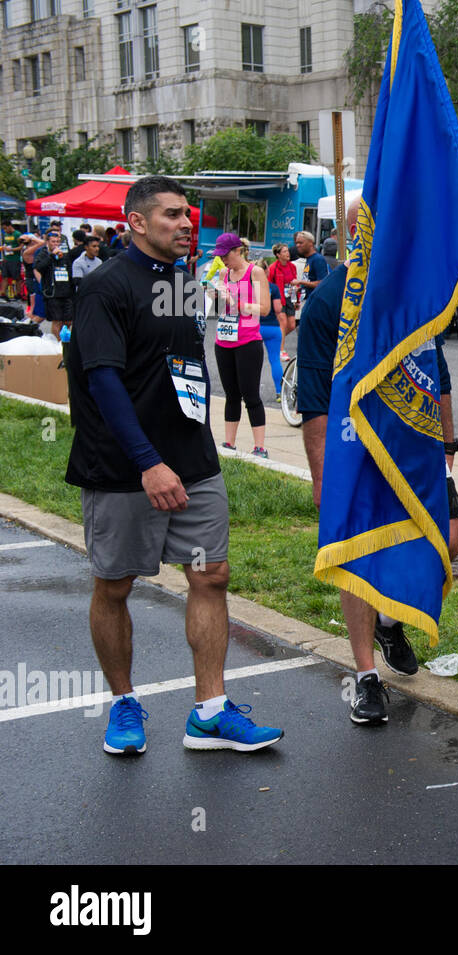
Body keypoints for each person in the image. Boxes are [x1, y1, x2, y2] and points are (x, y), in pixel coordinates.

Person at [63, 175, 282, 756]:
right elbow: (104, 381)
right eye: (171, 215)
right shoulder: (105, 287)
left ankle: (210, 712)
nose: (187, 223)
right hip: (123, 467)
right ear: (135, 222)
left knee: (210, 576)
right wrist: (147, 463)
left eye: (189, 214)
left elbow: (181, 368)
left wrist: (192, 448)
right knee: (115, 584)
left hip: (193, 461)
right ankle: (124, 704)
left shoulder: (185, 283)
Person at [295, 197, 458, 723]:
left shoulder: (417, 294)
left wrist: (449, 445)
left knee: (448, 541)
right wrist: (323, 476)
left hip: (417, 447)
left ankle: (391, 621)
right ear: (355, 234)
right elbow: (314, 397)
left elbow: (441, 375)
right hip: (354, 451)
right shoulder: (327, 301)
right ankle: (366, 676)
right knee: (356, 557)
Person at [211, 232, 270, 458]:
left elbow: (263, 309)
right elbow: (219, 304)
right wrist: (213, 293)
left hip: (247, 340)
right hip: (223, 339)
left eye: (226, 255)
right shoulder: (224, 273)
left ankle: (259, 447)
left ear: (239, 251)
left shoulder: (254, 272)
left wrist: (237, 302)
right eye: (220, 256)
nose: (223, 260)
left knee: (250, 394)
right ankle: (229, 443)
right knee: (231, 394)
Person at [33, 228, 76, 339]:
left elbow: (70, 271)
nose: (56, 244)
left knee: (68, 321)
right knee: (57, 321)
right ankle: (57, 344)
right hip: (53, 293)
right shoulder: (43, 254)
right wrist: (51, 256)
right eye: (53, 241)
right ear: (48, 242)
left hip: (66, 292)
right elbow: (38, 267)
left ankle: (64, 341)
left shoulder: (65, 255)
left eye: (57, 242)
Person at [259, 258, 287, 398]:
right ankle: (279, 392)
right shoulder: (273, 288)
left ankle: (248, 392)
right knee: (275, 359)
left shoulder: (249, 286)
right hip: (272, 327)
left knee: (251, 361)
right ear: (266, 271)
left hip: (254, 327)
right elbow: (278, 309)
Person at [290, 231, 329, 300]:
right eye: (296, 243)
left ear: (310, 243)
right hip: (306, 300)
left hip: (315, 301)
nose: (297, 245)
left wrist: (300, 282)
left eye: (301, 243)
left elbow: (322, 283)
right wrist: (299, 289)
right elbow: (310, 281)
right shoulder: (309, 259)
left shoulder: (318, 259)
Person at [266, 243, 298, 316]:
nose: (288, 253)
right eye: (284, 251)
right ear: (278, 255)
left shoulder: (292, 266)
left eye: (288, 251)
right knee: (282, 323)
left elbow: (295, 283)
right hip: (279, 299)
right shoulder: (273, 268)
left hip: (291, 298)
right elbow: (269, 285)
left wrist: (296, 300)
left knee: (291, 324)